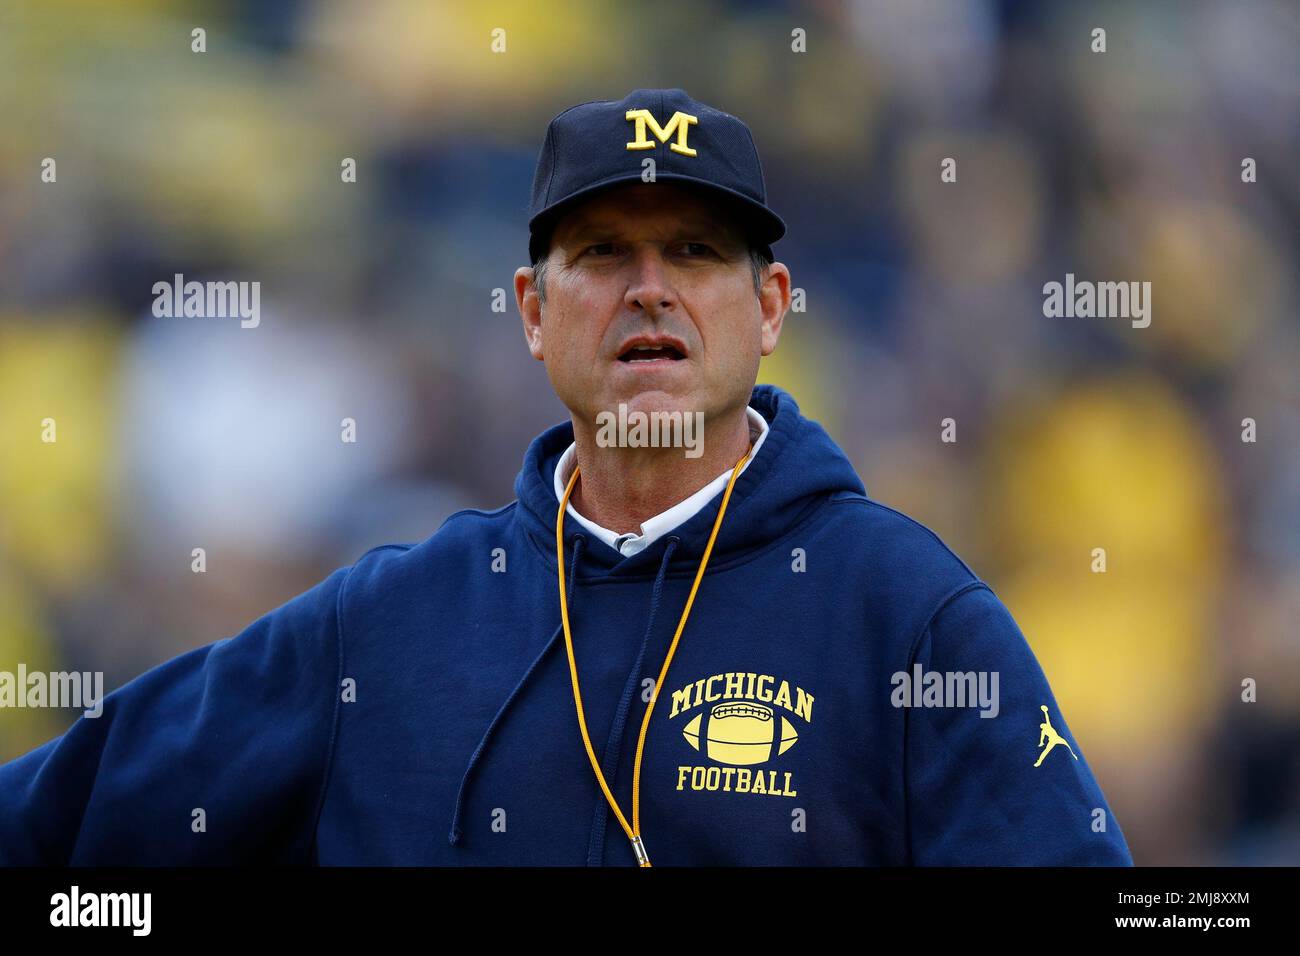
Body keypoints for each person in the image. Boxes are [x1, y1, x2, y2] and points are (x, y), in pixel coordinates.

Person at [0, 88, 1133, 866]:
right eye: (601, 253)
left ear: (773, 307)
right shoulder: (387, 624)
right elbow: (63, 827)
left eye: (694, 250)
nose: (649, 289)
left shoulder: (909, 619)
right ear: (534, 315)